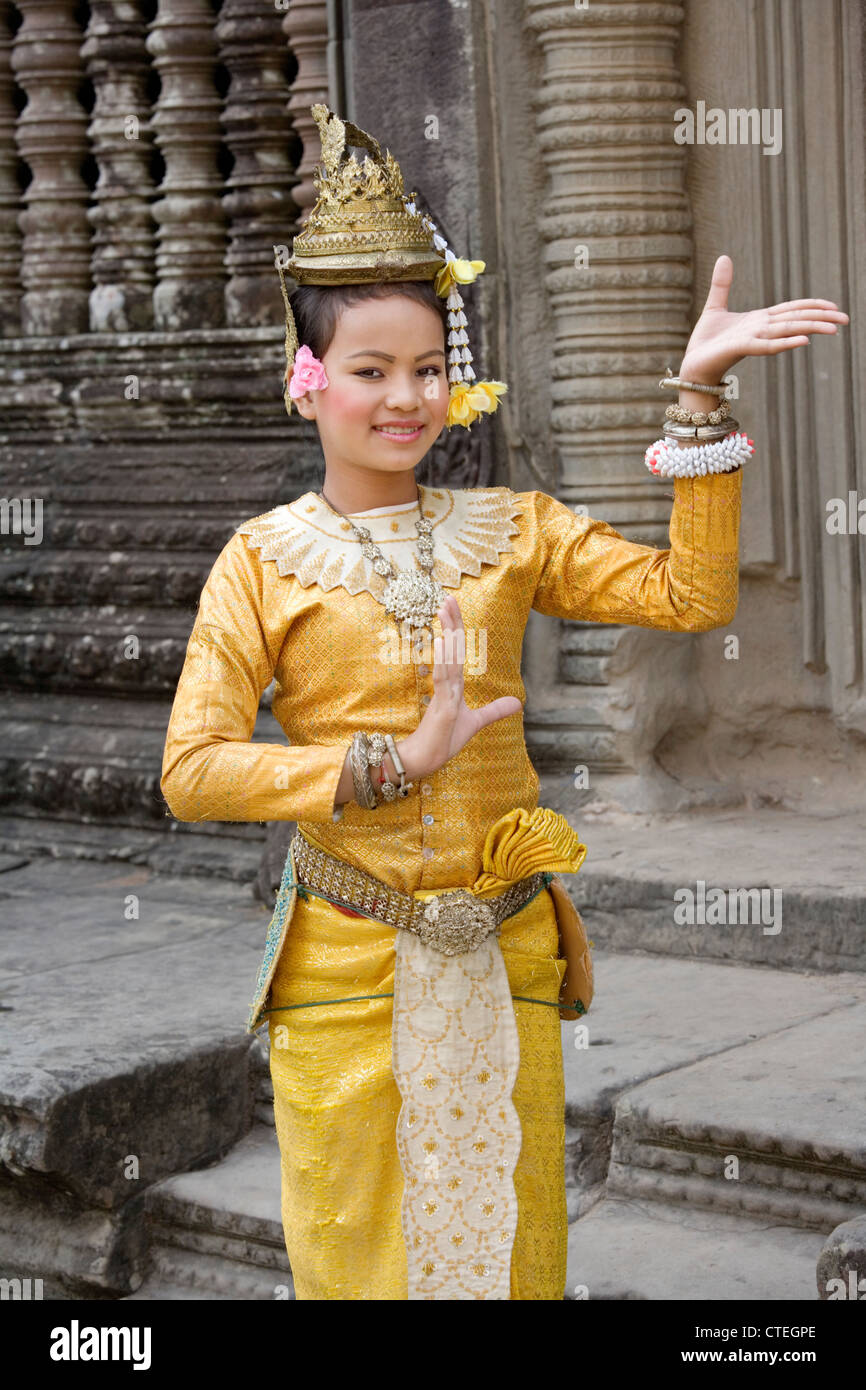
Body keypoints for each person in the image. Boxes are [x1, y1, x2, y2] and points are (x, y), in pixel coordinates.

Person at [159, 104, 848, 1300]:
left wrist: (695, 400)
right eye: (370, 370)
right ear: (306, 379)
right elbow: (194, 768)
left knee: (510, 1256)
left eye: (429, 368)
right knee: (360, 1261)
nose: (406, 398)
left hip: (501, 947)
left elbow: (687, 597)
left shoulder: (510, 528)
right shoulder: (261, 559)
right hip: (344, 960)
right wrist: (384, 763)